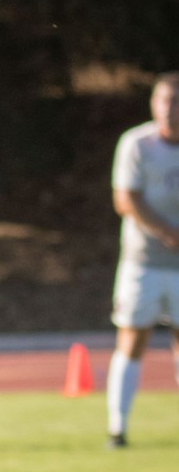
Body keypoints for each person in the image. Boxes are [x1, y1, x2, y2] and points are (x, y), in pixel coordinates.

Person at [106, 71, 179, 449]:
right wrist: (167, 232)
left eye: (177, 102)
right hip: (143, 263)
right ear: (154, 104)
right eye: (165, 101)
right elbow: (126, 199)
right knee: (133, 340)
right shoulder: (137, 143)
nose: (171, 110)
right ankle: (117, 429)